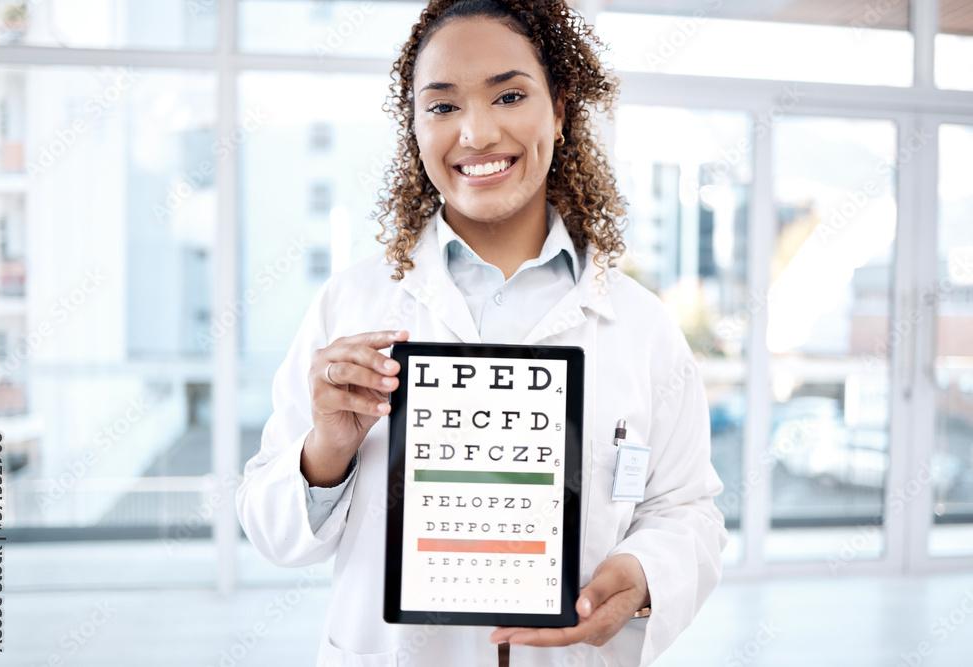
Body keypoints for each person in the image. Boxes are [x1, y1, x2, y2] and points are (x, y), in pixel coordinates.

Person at [235, 1, 727, 665]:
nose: (476, 131)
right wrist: (327, 449)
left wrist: (642, 573)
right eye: (441, 106)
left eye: (510, 95)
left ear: (558, 110)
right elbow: (271, 526)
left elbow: (688, 509)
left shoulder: (643, 328)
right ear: (414, 129)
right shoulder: (350, 303)